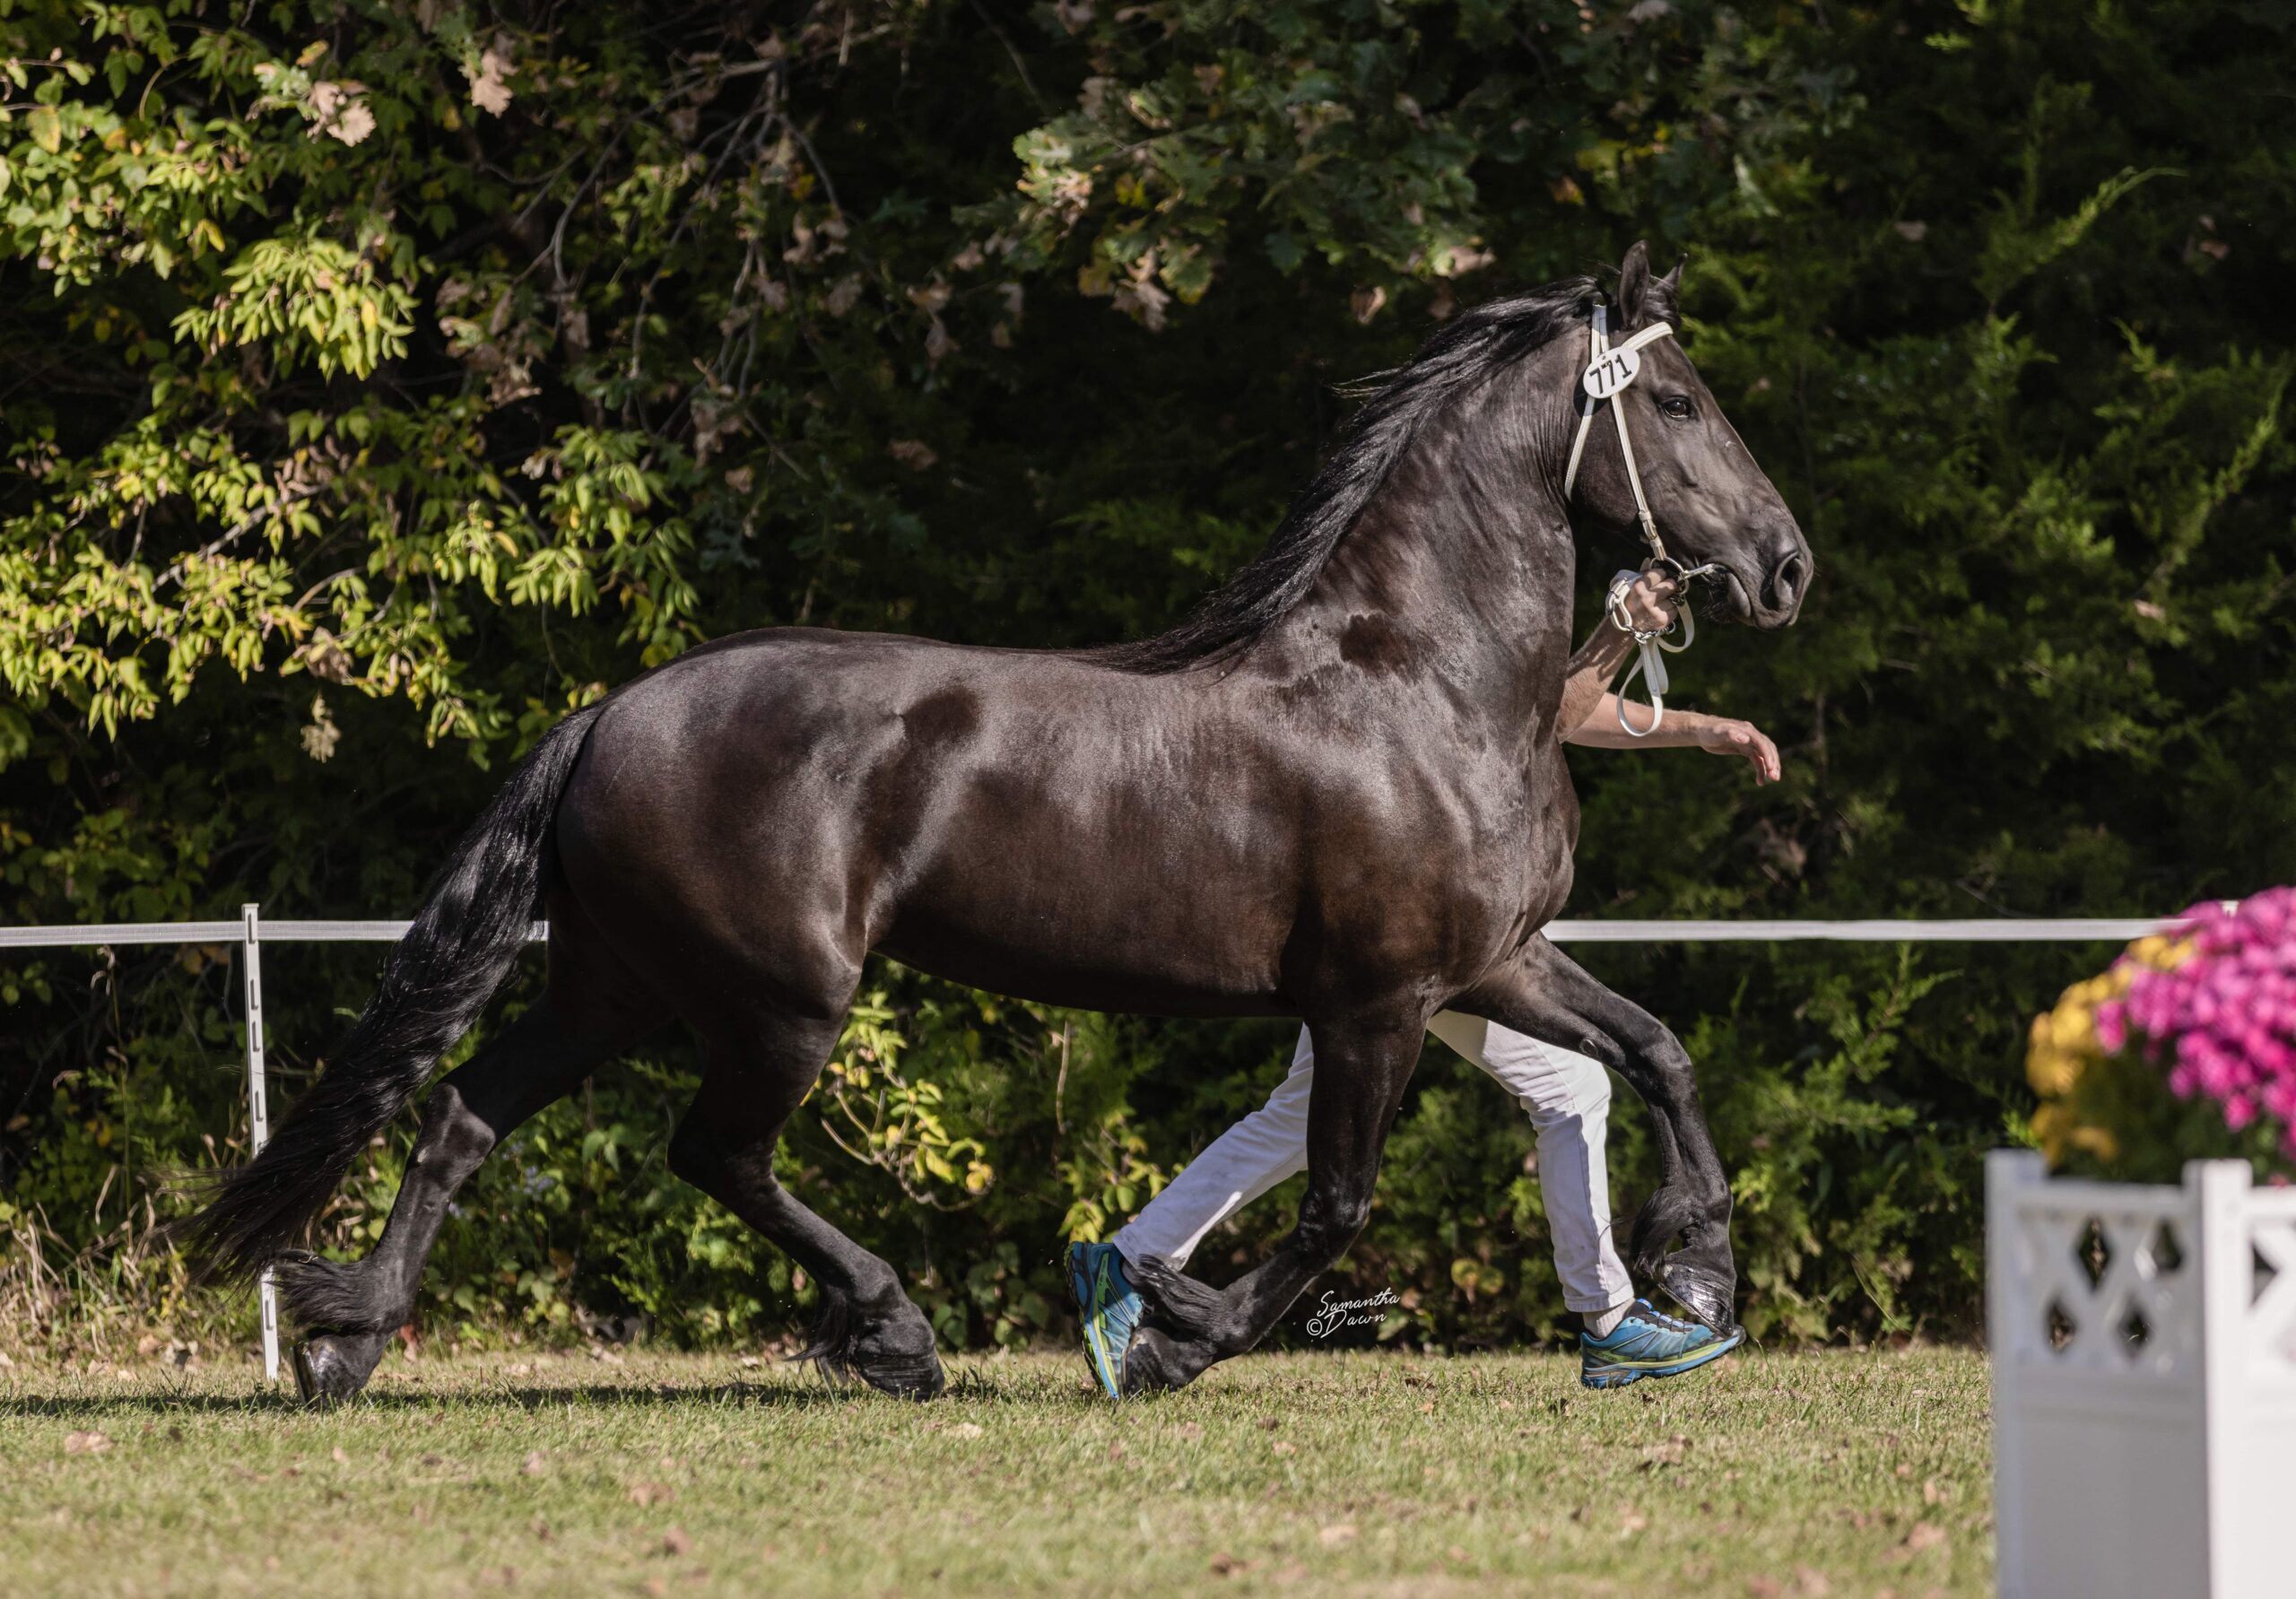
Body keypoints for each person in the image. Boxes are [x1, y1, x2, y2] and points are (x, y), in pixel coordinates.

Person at [1068, 571, 1780, 1396]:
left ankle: (1127, 1261)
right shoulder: (1483, 596)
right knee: (1568, 1087)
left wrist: (1700, 728)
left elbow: (1558, 714)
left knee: (1313, 1115)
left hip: (1423, 907)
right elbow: (1556, 709)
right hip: (1421, 914)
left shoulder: (1495, 585)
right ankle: (1609, 1321)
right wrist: (1620, 631)